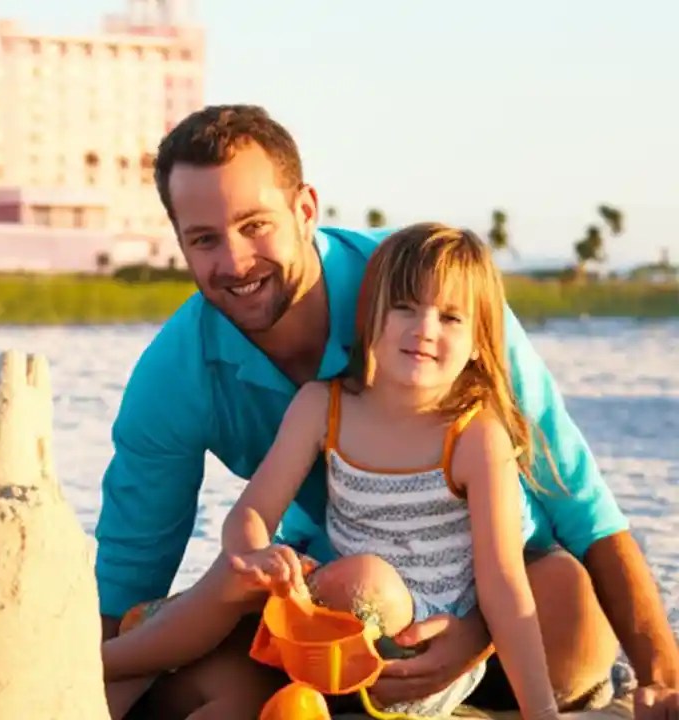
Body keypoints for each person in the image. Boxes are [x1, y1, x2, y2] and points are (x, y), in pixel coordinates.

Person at [95, 104, 679, 719]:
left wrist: (657, 671)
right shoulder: (177, 375)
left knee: (570, 611)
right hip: (332, 588)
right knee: (217, 684)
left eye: (255, 225)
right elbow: (135, 553)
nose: (236, 262)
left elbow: (575, 495)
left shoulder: (427, 293)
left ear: (305, 210)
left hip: (506, 578)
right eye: (204, 239)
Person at [103, 224, 563, 720]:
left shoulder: (474, 435)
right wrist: (257, 553)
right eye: (405, 307)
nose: (425, 328)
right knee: (243, 572)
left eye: (450, 317)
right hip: (319, 630)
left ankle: (167, 627)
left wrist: (542, 712)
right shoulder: (324, 406)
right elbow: (251, 513)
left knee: (361, 580)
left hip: (410, 654)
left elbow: (503, 583)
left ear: (479, 342)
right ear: (370, 320)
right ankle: (103, 668)